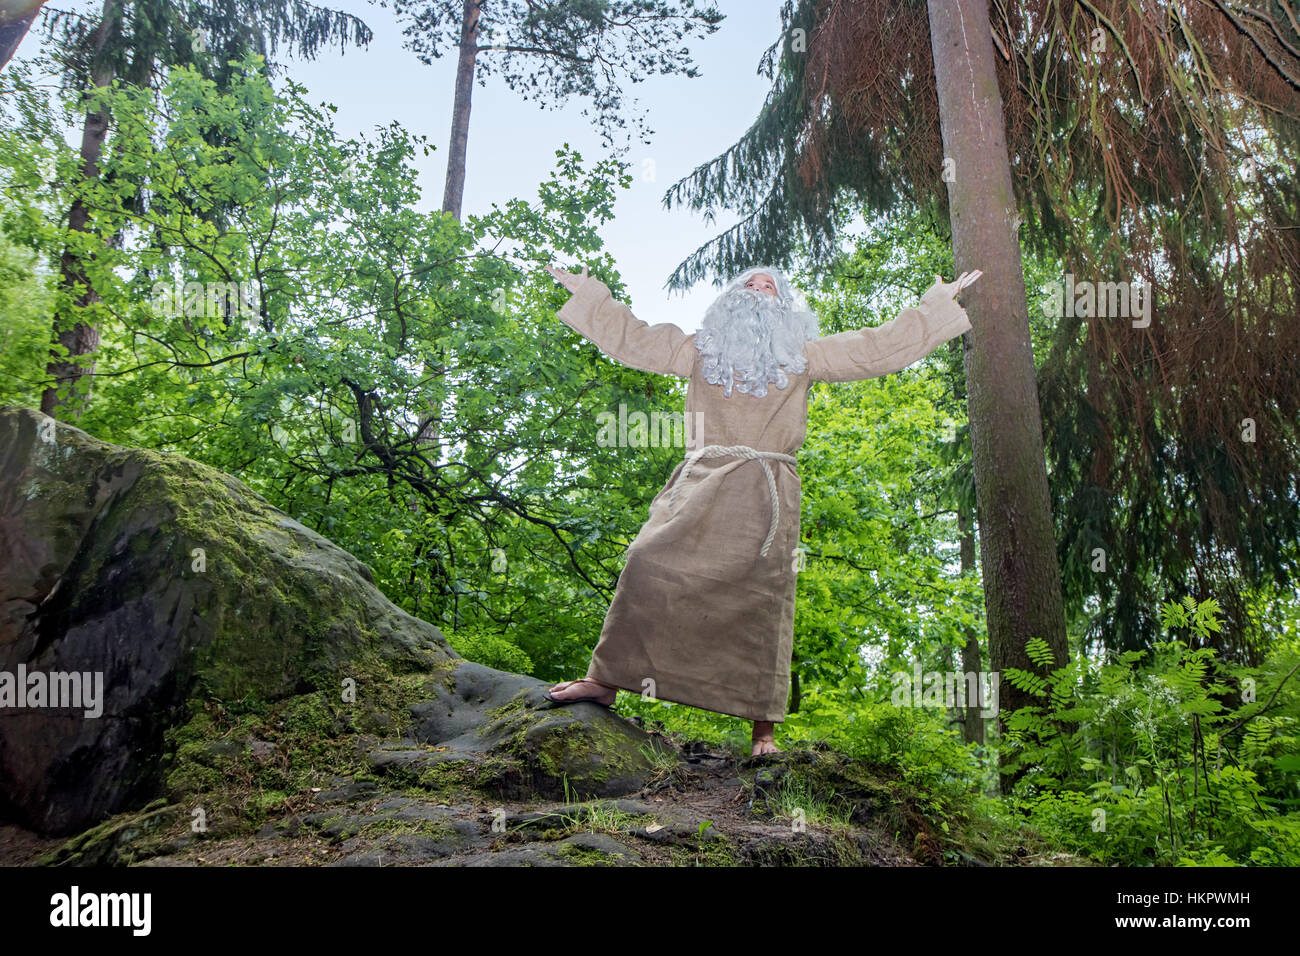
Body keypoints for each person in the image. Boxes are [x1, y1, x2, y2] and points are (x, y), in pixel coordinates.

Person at [542, 262, 982, 755]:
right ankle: (606, 680)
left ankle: (763, 730)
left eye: (768, 286)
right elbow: (633, 337)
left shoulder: (804, 357)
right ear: (729, 302)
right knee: (646, 564)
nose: (757, 291)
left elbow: (876, 348)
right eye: (748, 285)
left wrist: (935, 304)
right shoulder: (696, 351)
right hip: (702, 479)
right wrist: (589, 294)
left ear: (785, 307)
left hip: (767, 491)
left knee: (763, 601)